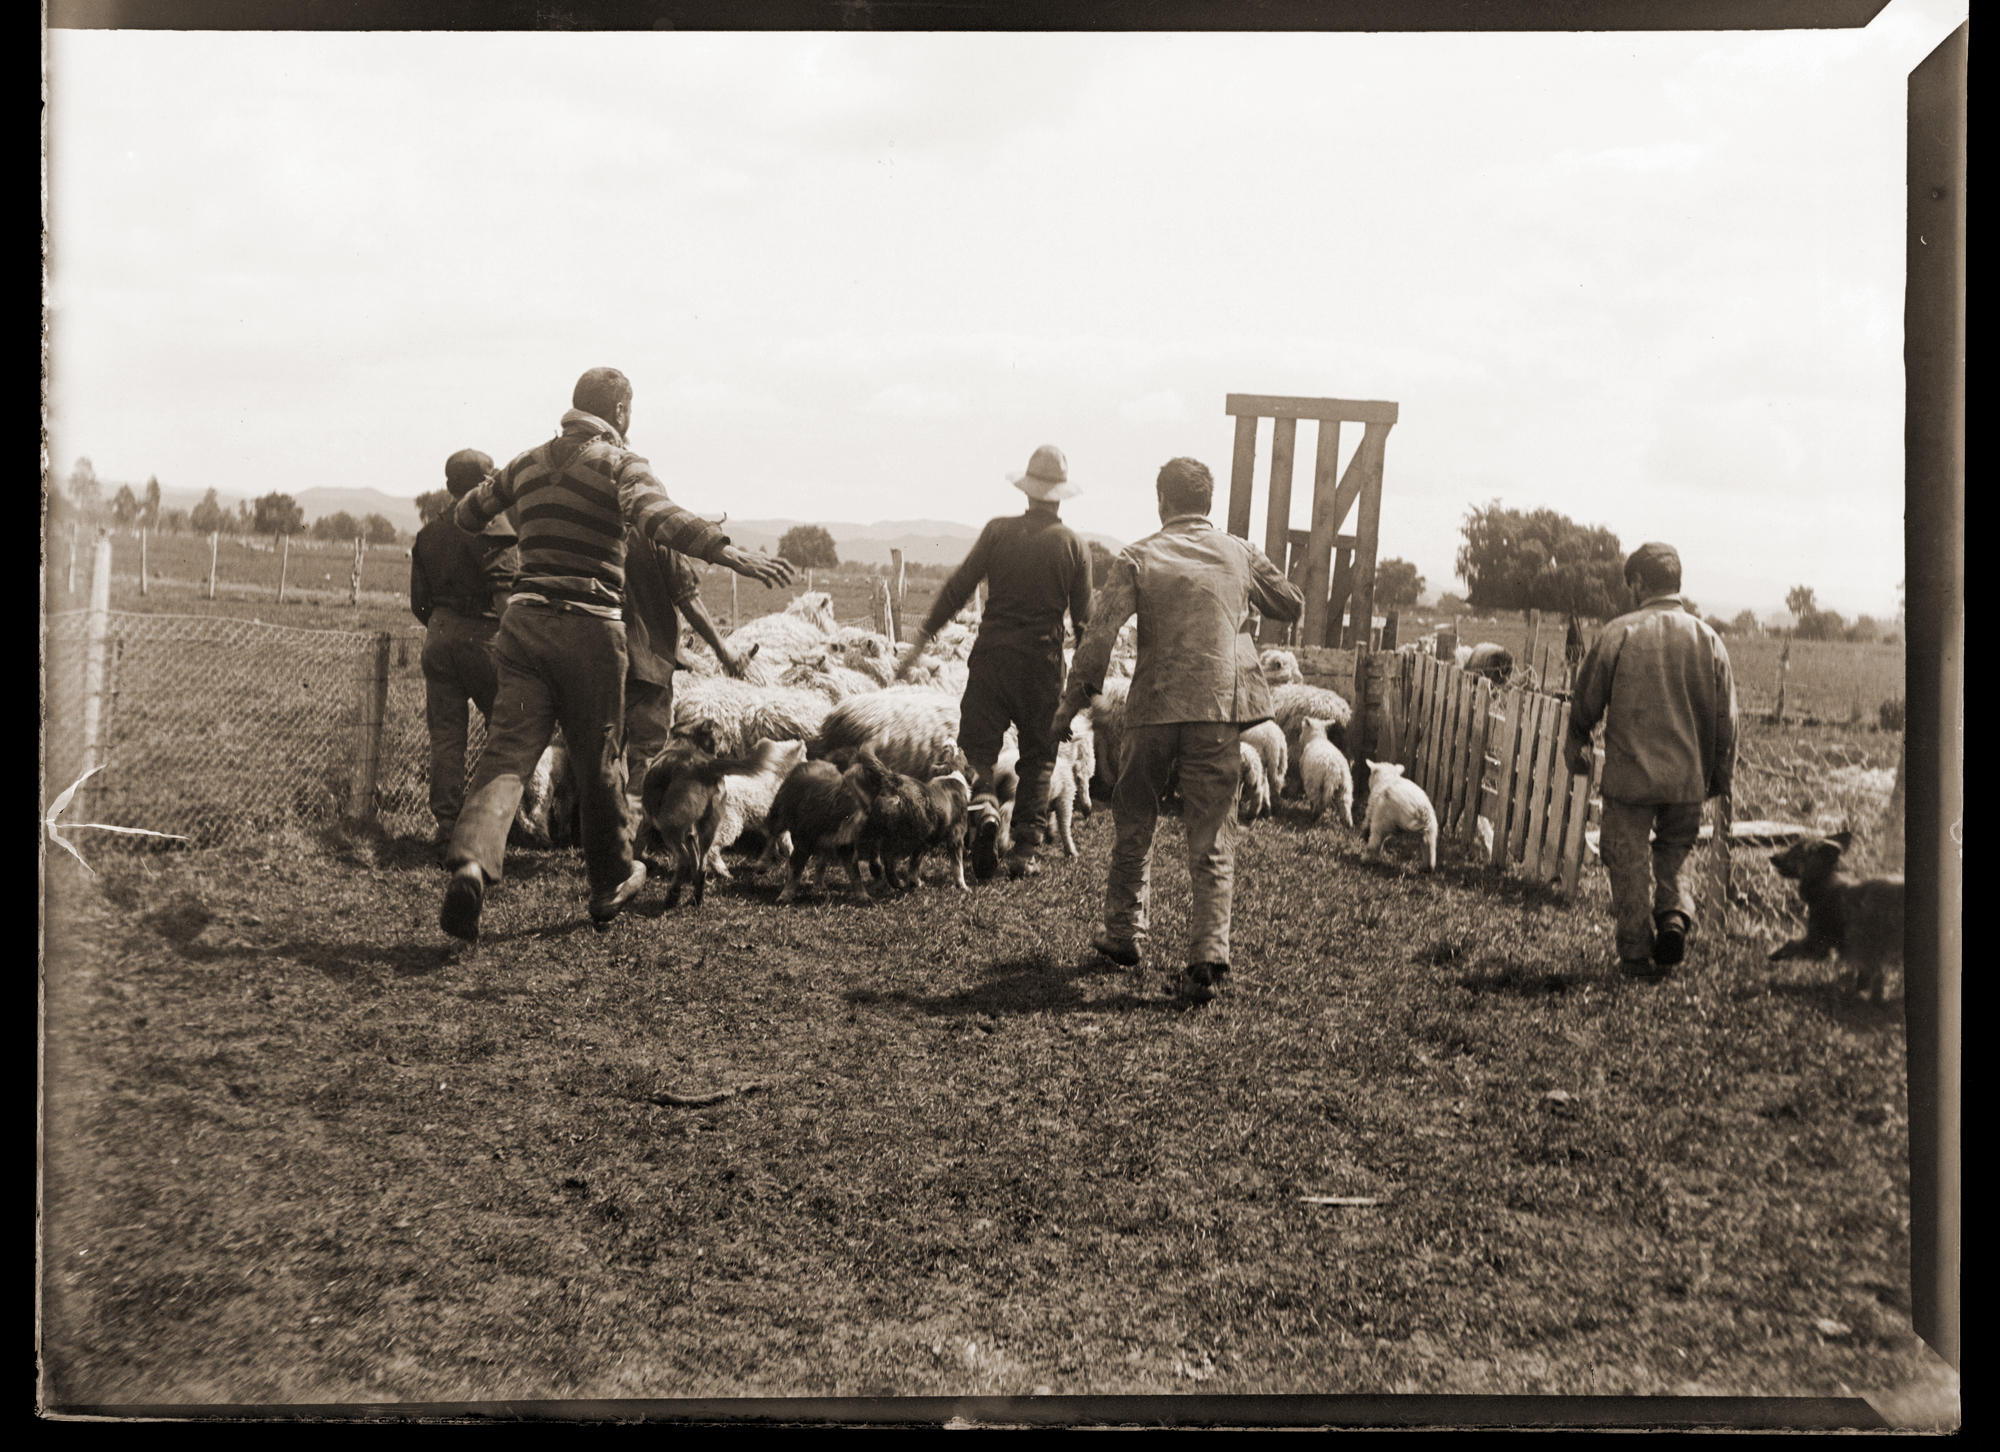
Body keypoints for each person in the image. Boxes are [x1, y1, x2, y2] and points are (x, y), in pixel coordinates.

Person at [437, 367, 795, 942]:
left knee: (507, 753)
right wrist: (728, 553)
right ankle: (607, 884)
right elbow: (658, 516)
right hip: (590, 632)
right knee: (600, 758)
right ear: (621, 412)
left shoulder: (526, 462)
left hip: (524, 625)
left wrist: (535, 525)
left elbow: (468, 514)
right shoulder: (620, 461)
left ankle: (472, 863)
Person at [1051, 457, 1305, 1003]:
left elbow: (1098, 639)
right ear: (1207, 503)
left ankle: (1123, 934)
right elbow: (1291, 602)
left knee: (1135, 816)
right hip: (1218, 708)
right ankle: (1208, 957)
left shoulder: (1137, 556)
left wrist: (1069, 705)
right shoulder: (1239, 551)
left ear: (1161, 501)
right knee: (1212, 830)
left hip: (1153, 707)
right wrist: (1241, 605)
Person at [894, 444, 1094, 880]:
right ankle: (1025, 850)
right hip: (1042, 665)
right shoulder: (1074, 546)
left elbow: (958, 586)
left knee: (979, 749)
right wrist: (1082, 688)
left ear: (1027, 491)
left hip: (991, 658)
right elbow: (1085, 624)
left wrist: (921, 640)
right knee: (1039, 757)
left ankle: (983, 808)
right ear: (1060, 495)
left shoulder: (998, 532)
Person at [1564, 541, 1737, 979]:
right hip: (1687, 779)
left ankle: (1637, 954)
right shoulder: (1709, 640)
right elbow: (1727, 719)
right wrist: (1719, 775)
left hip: (1630, 779)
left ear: (1639, 583)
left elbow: (1588, 696)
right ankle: (1674, 917)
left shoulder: (1619, 633)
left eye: (1630, 585)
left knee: (1627, 858)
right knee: (1675, 853)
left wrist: (1578, 738)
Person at [409, 448, 519, 855]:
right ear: (484, 484)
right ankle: (495, 824)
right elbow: (506, 597)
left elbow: (418, 602)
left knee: (446, 737)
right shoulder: (491, 526)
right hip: (486, 636)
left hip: (438, 634)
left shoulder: (430, 531)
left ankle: (447, 824)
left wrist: (445, 625)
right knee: (508, 732)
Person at [620, 527, 755, 791]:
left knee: (598, 759)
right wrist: (724, 651)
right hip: (646, 665)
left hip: (597, 665)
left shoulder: (591, 524)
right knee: (646, 760)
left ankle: (598, 829)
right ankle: (634, 826)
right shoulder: (655, 534)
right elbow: (688, 599)